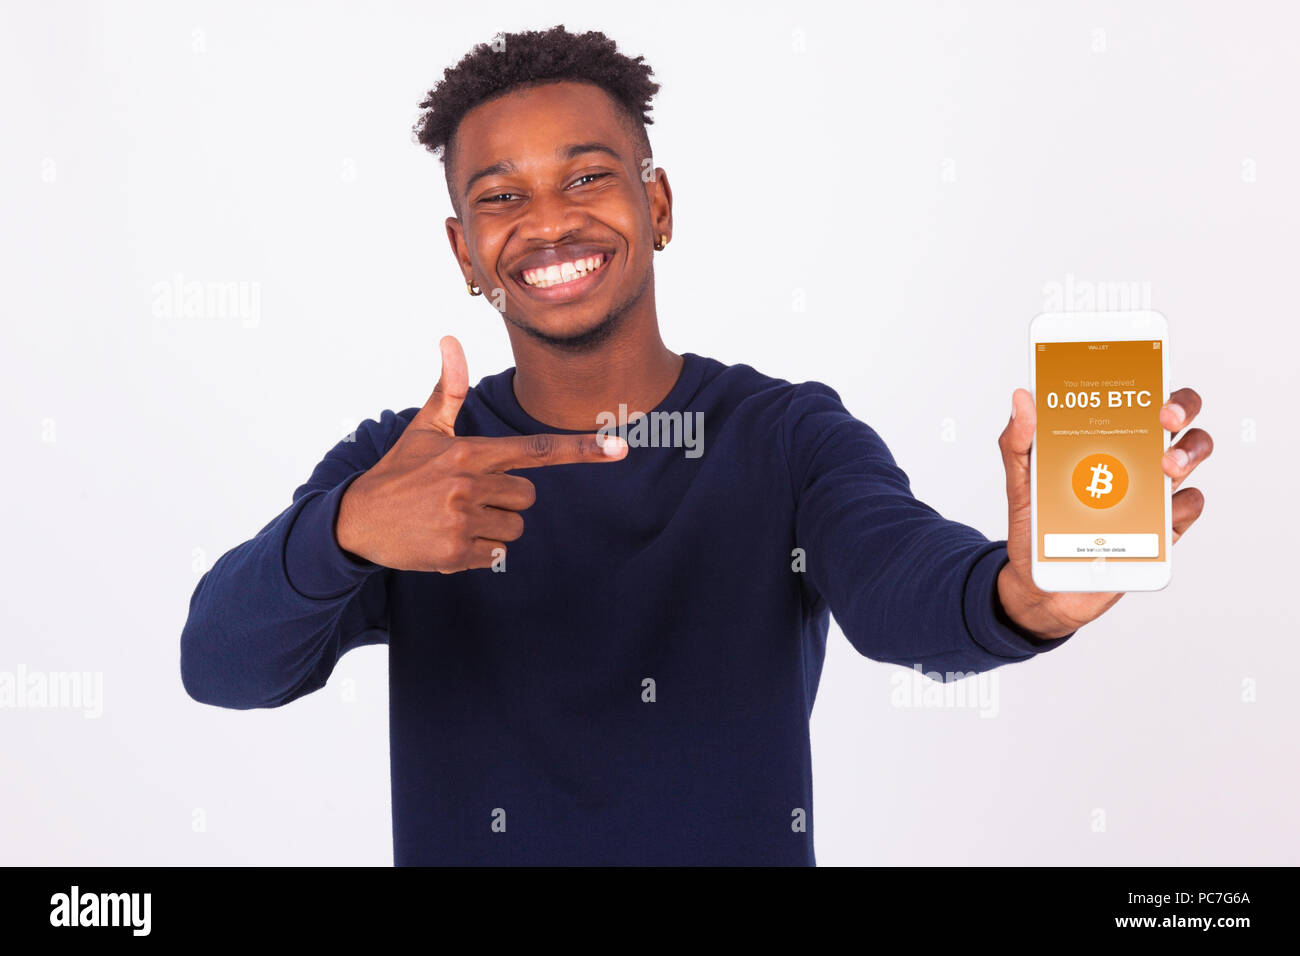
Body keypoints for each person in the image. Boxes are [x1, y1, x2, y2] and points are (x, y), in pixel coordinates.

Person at [180, 25, 1213, 865]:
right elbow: (221, 664)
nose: (546, 223)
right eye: (499, 196)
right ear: (464, 249)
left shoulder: (786, 435)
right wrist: (350, 532)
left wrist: (1021, 594)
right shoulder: (413, 460)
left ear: (656, 204)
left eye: (587, 177)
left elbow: (903, 587)